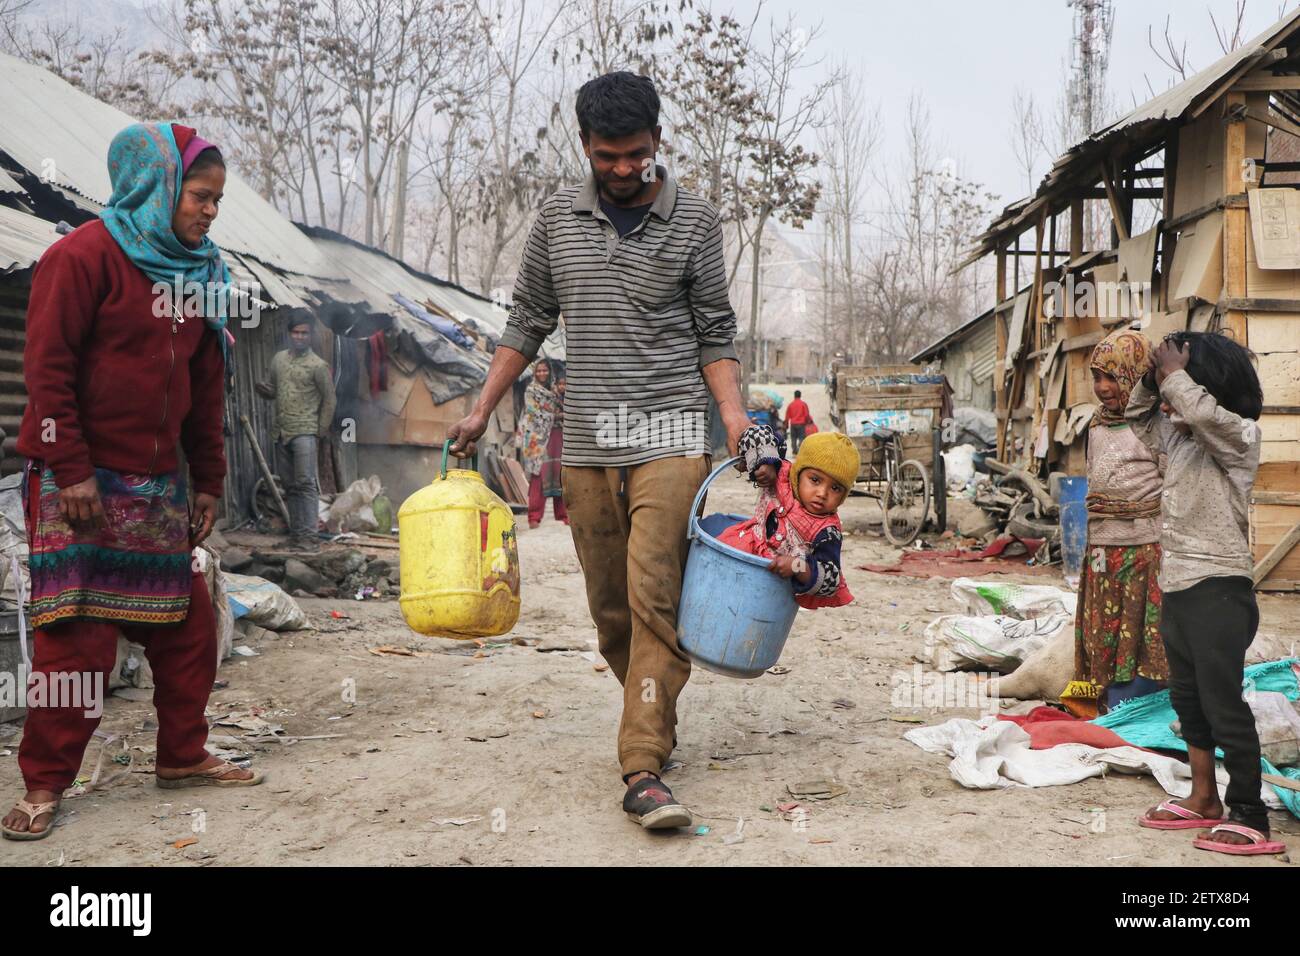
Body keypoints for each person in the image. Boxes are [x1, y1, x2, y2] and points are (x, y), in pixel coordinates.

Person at [447, 71, 752, 830]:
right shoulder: (556, 217)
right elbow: (526, 318)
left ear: (658, 142)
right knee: (611, 613)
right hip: (585, 444)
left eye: (637, 155)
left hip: (673, 438)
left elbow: (715, 331)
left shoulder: (696, 221)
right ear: (585, 146)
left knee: (653, 600)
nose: (622, 169)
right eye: (607, 155)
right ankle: (650, 717)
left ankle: (642, 769)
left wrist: (736, 418)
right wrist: (483, 406)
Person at [4, 123, 262, 841]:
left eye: (217, 200)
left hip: (156, 486)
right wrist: (73, 469)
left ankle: (182, 755)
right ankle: (44, 783)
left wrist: (207, 477)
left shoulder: (205, 274)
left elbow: (206, 385)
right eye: (200, 196)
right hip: (77, 480)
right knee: (77, 639)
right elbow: (47, 373)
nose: (210, 211)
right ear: (157, 185)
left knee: (186, 624)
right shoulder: (81, 258)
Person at [1130, 332, 1284, 856]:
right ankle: (1203, 798)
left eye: (1183, 380)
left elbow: (1204, 416)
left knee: (1224, 705)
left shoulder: (1239, 435)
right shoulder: (1182, 439)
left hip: (1220, 588)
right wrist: (1154, 379)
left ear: (1207, 386)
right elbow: (1137, 419)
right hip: (1179, 585)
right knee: (1189, 700)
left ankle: (1250, 813)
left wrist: (1176, 375)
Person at [1072, 329, 1167, 715]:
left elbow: (1171, 481)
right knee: (1104, 630)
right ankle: (1106, 702)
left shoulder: (1154, 424)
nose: (1103, 387)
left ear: (1136, 375)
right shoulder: (1095, 424)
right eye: (1097, 377)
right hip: (1101, 550)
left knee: (1142, 630)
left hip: (1146, 549)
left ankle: (1141, 704)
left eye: (1112, 376)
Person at [713, 427, 857, 609]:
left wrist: (798, 566)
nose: (822, 493)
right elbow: (755, 434)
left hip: (770, 586)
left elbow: (831, 580)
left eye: (835, 488)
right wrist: (765, 464)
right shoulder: (782, 476)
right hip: (738, 548)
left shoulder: (827, 531)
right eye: (815, 480)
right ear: (799, 473)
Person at [256, 314, 336, 552]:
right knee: (290, 486)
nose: (300, 337)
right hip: (281, 431)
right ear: (289, 334)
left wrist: (319, 430)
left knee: (306, 484)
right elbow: (274, 390)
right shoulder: (279, 360)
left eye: (304, 333)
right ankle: (297, 535)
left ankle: (310, 538)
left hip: (305, 432)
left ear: (310, 336)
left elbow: (330, 400)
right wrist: (265, 390)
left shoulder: (318, 366)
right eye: (296, 332)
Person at [515, 359, 568, 528]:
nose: (542, 373)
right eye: (539, 371)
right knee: (539, 475)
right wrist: (558, 416)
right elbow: (534, 413)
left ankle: (563, 515)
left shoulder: (555, 390)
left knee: (560, 474)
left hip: (556, 435)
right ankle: (534, 517)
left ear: (550, 371)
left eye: (545, 370)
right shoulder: (531, 390)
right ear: (534, 373)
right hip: (537, 439)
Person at [784, 389, 813, 453]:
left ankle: (794, 450)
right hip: (801, 424)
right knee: (801, 437)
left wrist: (786, 425)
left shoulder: (790, 405)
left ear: (794, 396)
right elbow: (806, 415)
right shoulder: (803, 404)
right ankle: (800, 449)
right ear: (800, 396)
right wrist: (808, 422)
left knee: (793, 438)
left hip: (793, 424)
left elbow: (787, 416)